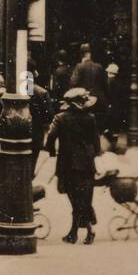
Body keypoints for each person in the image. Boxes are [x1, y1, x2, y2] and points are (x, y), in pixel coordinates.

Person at [45, 87, 102, 244]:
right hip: (87, 164)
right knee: (84, 198)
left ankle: (84, 231)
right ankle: (76, 233)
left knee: (76, 199)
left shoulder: (60, 118)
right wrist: (94, 155)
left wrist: (50, 151)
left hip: (68, 164)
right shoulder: (91, 118)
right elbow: (96, 143)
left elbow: (50, 138)